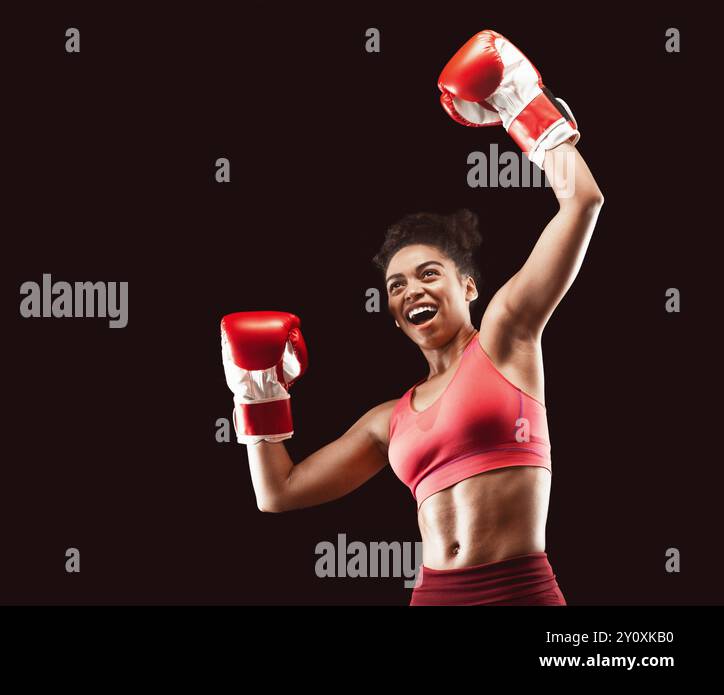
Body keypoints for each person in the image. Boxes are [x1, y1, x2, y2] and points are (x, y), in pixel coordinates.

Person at [220, 30, 604, 605]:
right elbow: (279, 492)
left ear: (468, 286)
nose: (411, 290)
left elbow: (582, 201)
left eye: (430, 273)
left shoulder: (506, 334)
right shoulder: (388, 421)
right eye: (396, 285)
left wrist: (522, 104)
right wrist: (257, 392)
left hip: (518, 593)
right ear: (394, 313)